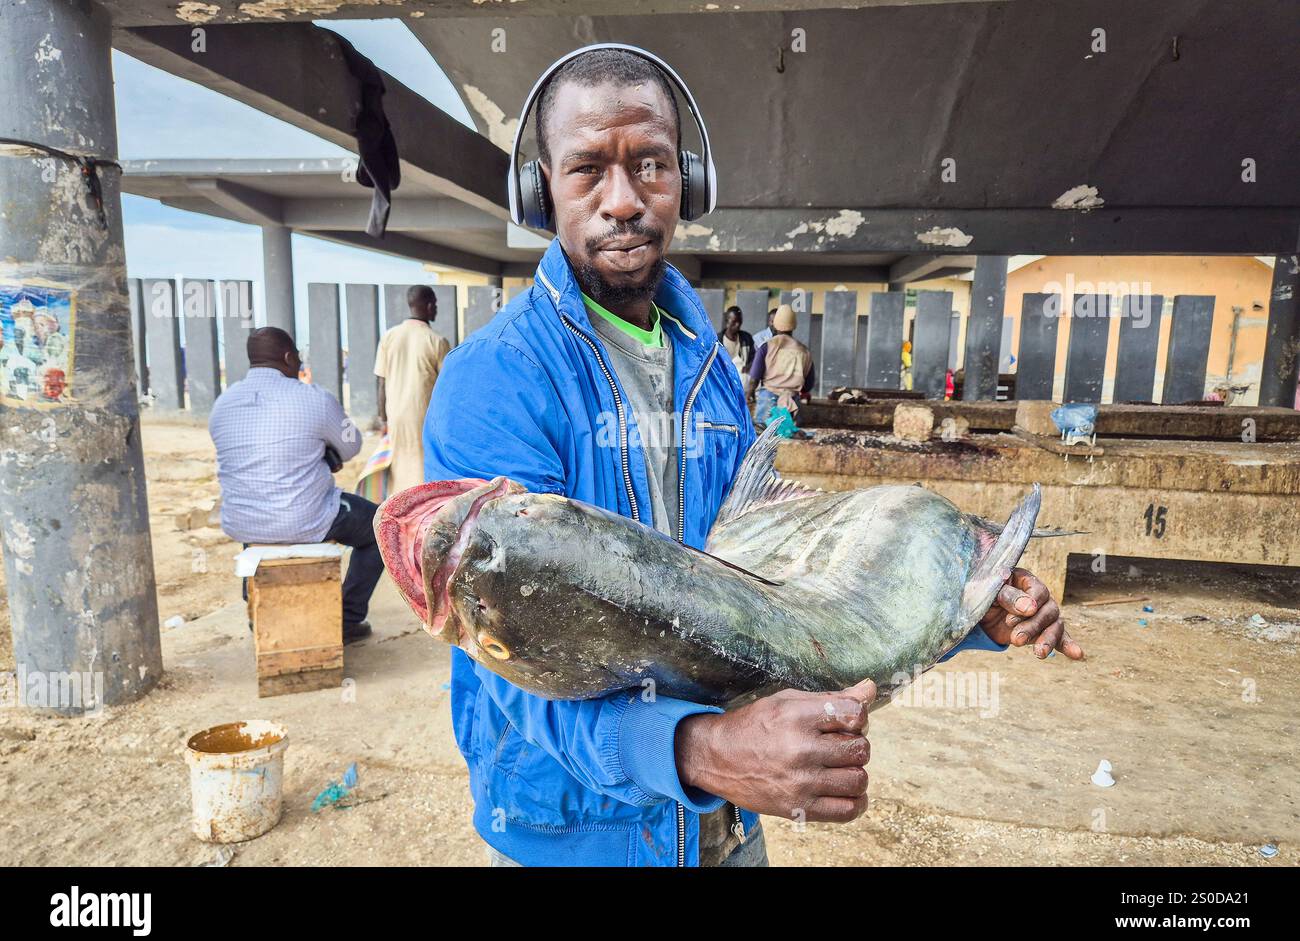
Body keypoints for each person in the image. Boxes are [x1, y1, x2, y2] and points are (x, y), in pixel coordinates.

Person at [423, 45, 1081, 869]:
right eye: (587, 169)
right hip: (576, 837)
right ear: (540, 189)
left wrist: (963, 608)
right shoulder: (496, 380)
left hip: (725, 826)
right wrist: (694, 751)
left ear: (686, 182)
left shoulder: (707, 363)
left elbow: (772, 588)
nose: (622, 201)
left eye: (651, 164)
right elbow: (508, 658)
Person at [209, 327, 381, 641]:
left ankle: (259, 613)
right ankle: (347, 619)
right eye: (298, 358)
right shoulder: (312, 398)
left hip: (244, 522)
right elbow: (351, 445)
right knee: (380, 528)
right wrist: (325, 454)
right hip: (305, 518)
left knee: (261, 515)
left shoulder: (223, 404)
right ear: (289, 358)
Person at [374, 285, 451, 496]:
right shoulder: (437, 341)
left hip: (395, 414)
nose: (435, 308)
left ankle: (397, 505)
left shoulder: (389, 337)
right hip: (423, 415)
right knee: (421, 465)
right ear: (427, 306)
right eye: (434, 304)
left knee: (399, 465)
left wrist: (383, 419)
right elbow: (446, 388)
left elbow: (381, 382)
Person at [746, 304, 816, 425]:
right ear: (794, 325)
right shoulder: (804, 351)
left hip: (767, 403)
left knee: (763, 438)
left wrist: (750, 393)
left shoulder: (766, 347)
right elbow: (808, 385)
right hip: (792, 406)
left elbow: (754, 378)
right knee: (790, 440)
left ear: (775, 323)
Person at [718, 304, 754, 385]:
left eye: (739, 322)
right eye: (734, 322)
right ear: (727, 321)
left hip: (743, 381)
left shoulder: (747, 339)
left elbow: (754, 358)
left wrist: (748, 367)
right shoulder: (718, 341)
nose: (738, 325)